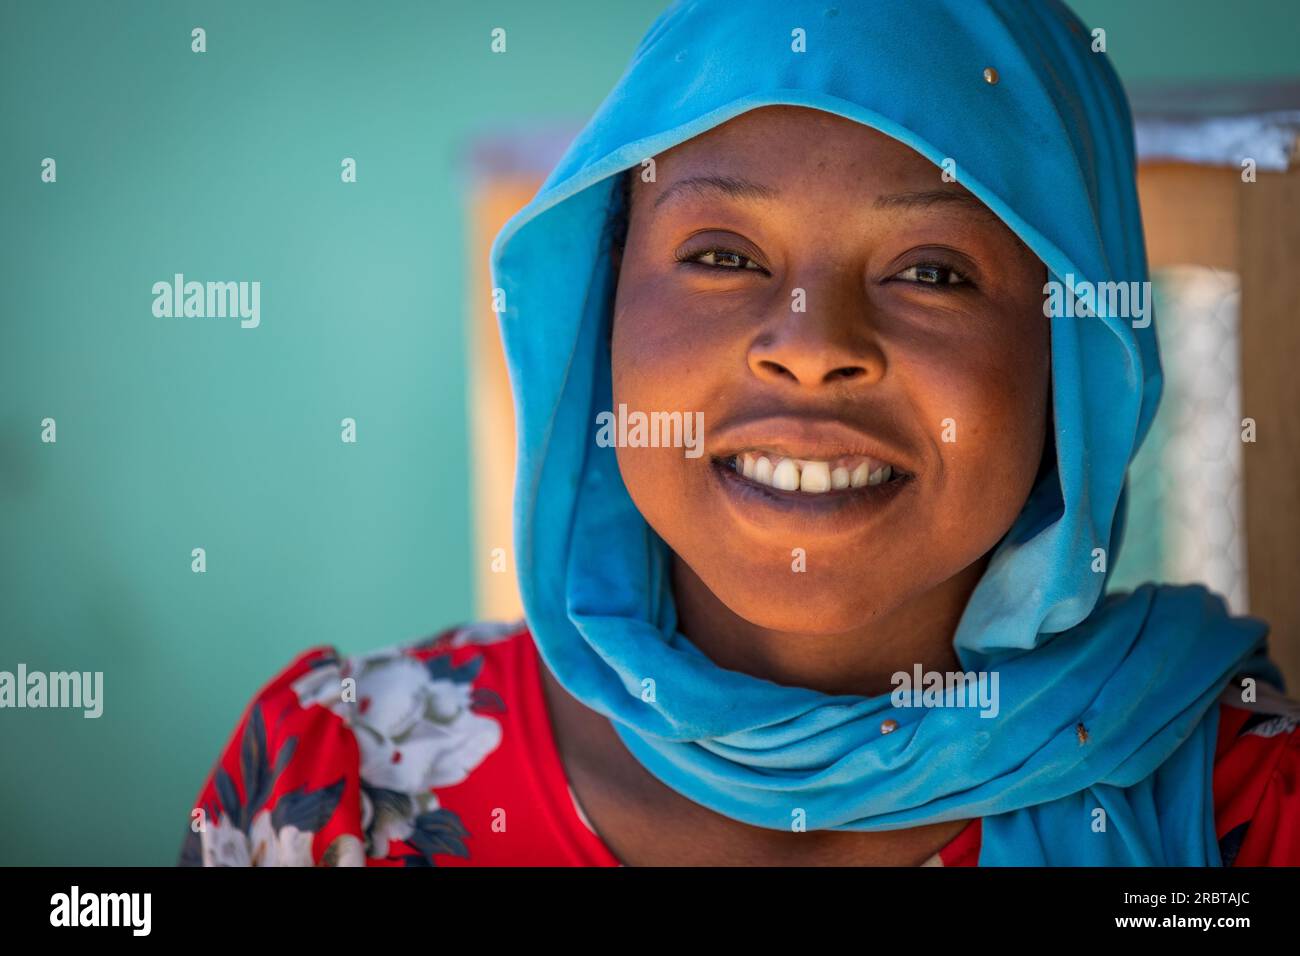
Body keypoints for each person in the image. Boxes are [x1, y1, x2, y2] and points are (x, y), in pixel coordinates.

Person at [178, 0, 1300, 867]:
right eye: (721, 254)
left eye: (932, 270)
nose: (810, 346)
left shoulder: (1235, 809)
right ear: (602, 309)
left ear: (1075, 361)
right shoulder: (332, 783)